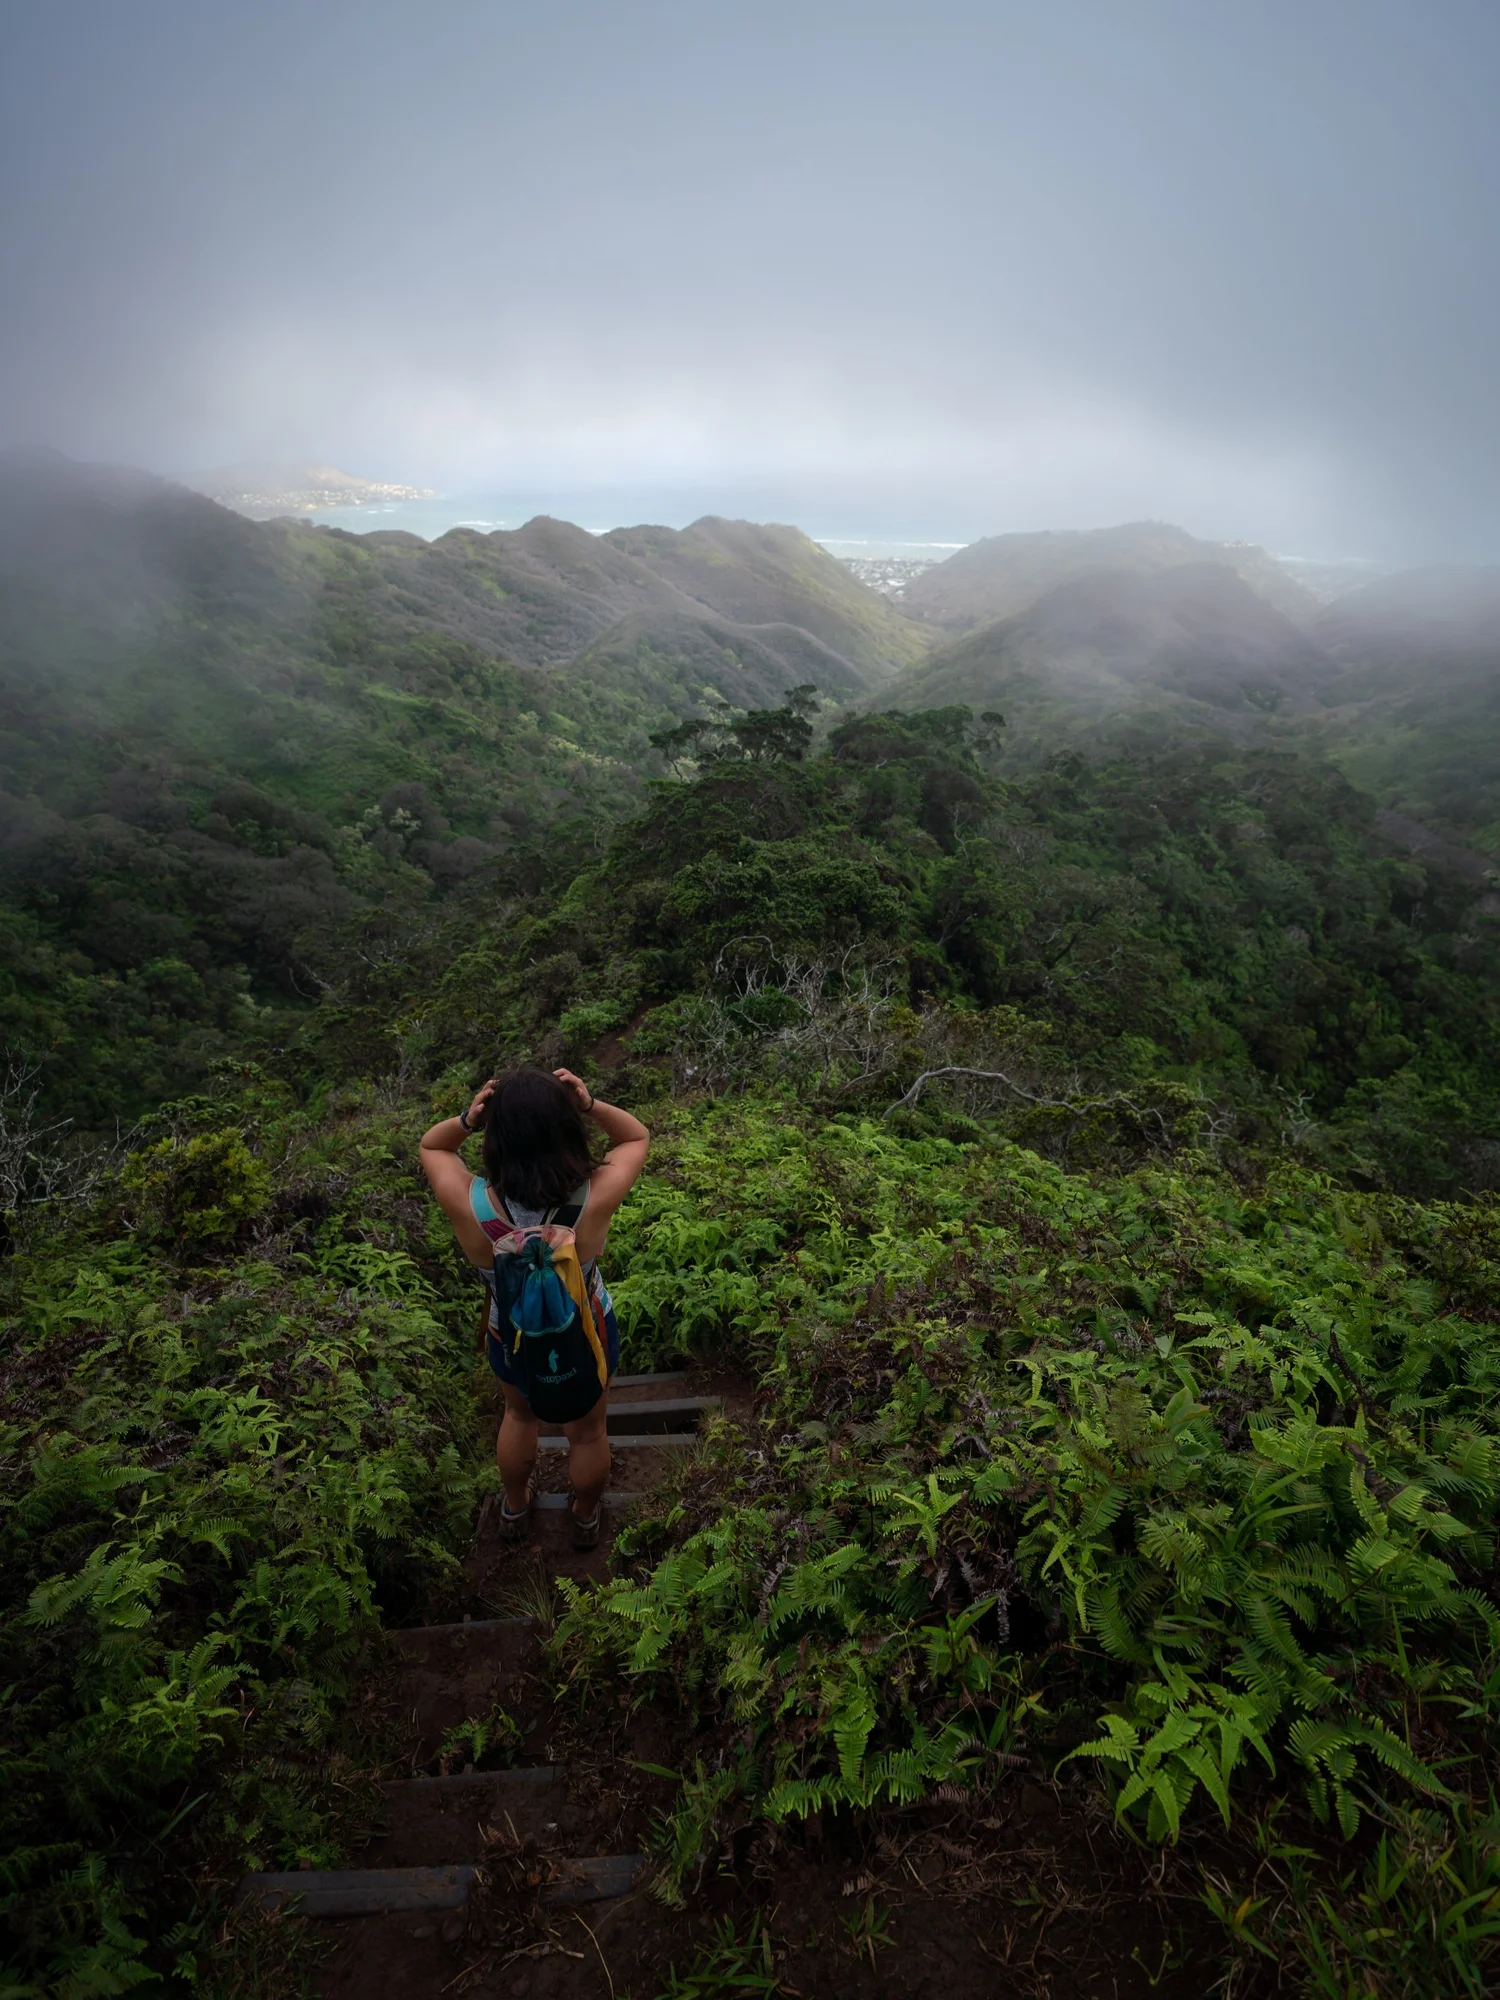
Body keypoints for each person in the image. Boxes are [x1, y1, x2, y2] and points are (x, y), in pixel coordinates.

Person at [419, 1067, 649, 1549]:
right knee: (588, 1433)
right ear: (566, 1128)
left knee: (519, 1416)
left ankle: (515, 1506)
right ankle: (585, 1517)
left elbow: (433, 1147)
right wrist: (588, 1104)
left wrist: (467, 1118)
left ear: (496, 1136)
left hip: (511, 1336)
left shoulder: (471, 1203)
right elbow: (636, 1136)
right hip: (586, 1334)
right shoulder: (596, 1194)